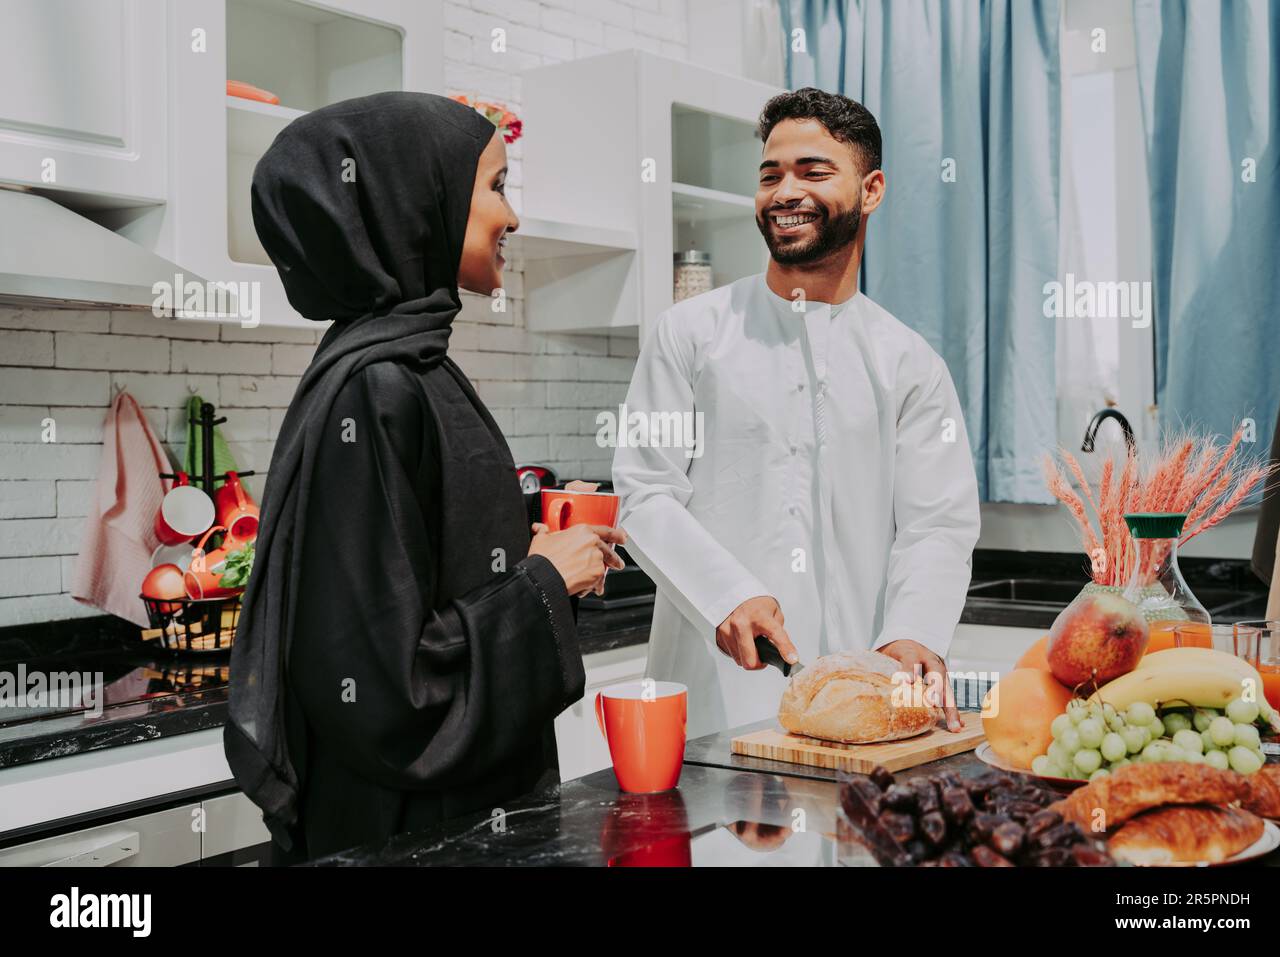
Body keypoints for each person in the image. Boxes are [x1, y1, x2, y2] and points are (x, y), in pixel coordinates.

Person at [224, 92, 625, 864]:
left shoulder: (415, 369)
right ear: (420, 200)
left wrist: (539, 560)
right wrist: (544, 579)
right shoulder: (376, 389)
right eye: (498, 186)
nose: (512, 218)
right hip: (411, 835)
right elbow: (381, 682)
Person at [612, 88, 981, 739]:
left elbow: (938, 524)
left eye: (813, 172)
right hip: (713, 697)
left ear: (871, 190)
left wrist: (913, 632)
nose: (785, 192)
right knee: (722, 837)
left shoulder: (909, 363)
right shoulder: (689, 334)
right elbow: (645, 492)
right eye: (769, 174)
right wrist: (725, 593)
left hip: (863, 696)